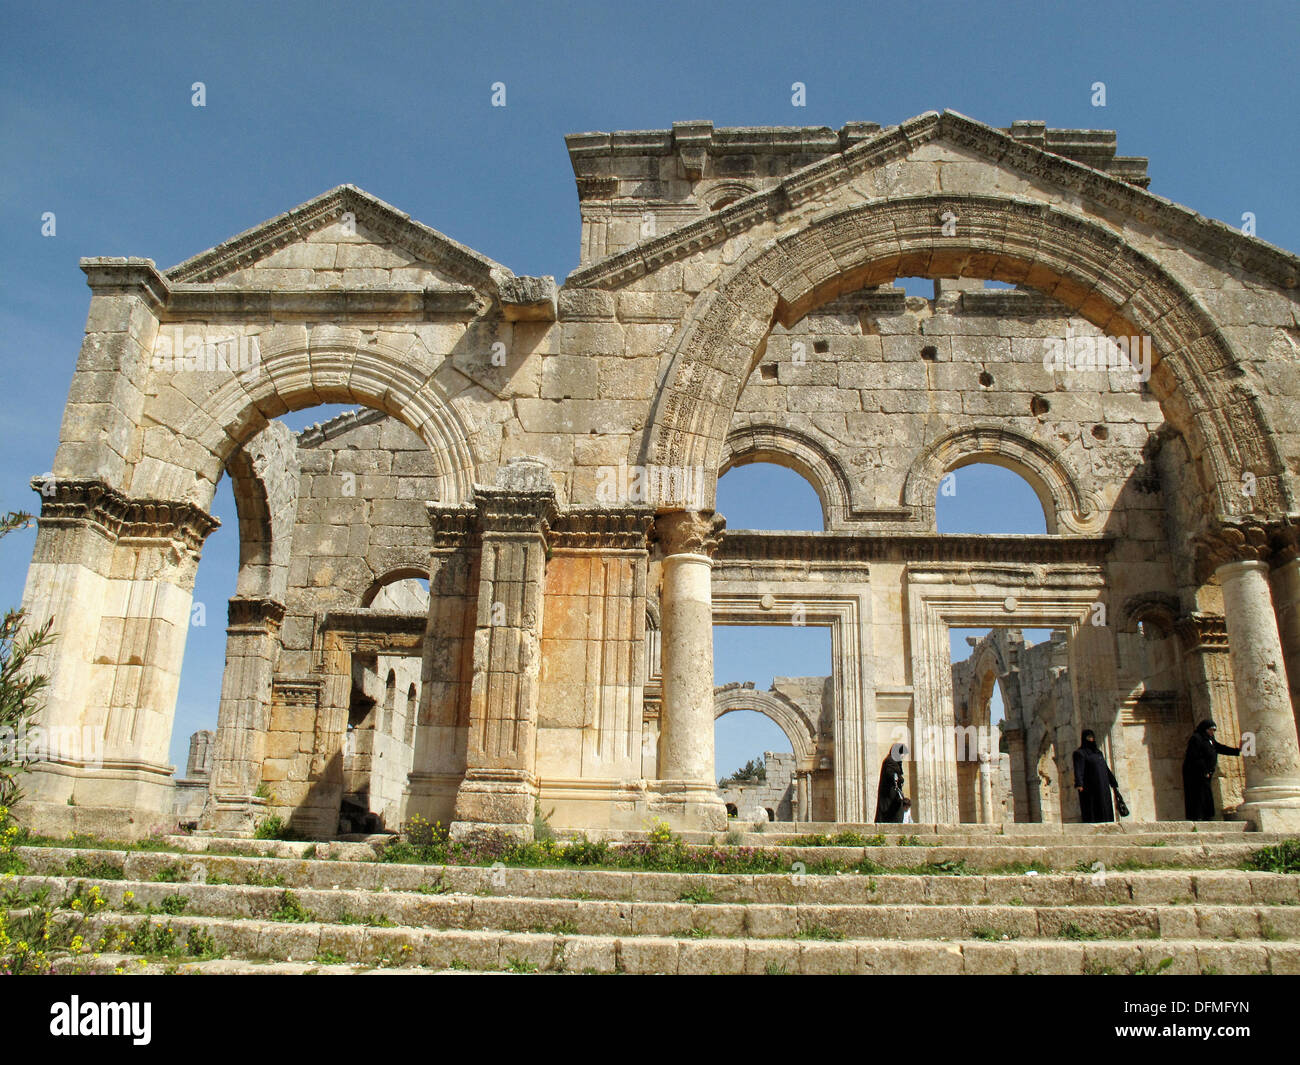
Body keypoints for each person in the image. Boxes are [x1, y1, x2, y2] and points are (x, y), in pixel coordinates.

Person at [1182, 719, 1241, 821]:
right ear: (1205, 729)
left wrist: (1237, 751)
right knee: (1197, 794)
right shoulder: (1197, 739)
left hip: (1206, 773)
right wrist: (1204, 770)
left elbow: (1220, 748)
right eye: (1210, 729)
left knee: (1206, 794)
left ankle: (1207, 815)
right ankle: (1197, 816)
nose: (1212, 732)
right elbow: (1195, 757)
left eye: (1214, 730)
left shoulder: (1210, 739)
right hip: (1196, 773)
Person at [1072, 729, 1120, 823]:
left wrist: (1113, 782)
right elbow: (1078, 769)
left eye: (1092, 737)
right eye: (1088, 737)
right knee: (1092, 807)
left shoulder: (1098, 753)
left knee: (1105, 805)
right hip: (1090, 786)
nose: (1090, 739)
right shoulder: (1080, 753)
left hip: (1103, 785)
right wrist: (1079, 783)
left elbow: (1105, 768)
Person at [875, 744, 907, 823]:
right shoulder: (890, 761)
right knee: (892, 816)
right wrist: (900, 779)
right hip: (889, 796)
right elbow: (891, 775)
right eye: (902, 753)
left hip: (892, 796)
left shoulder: (893, 761)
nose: (903, 756)